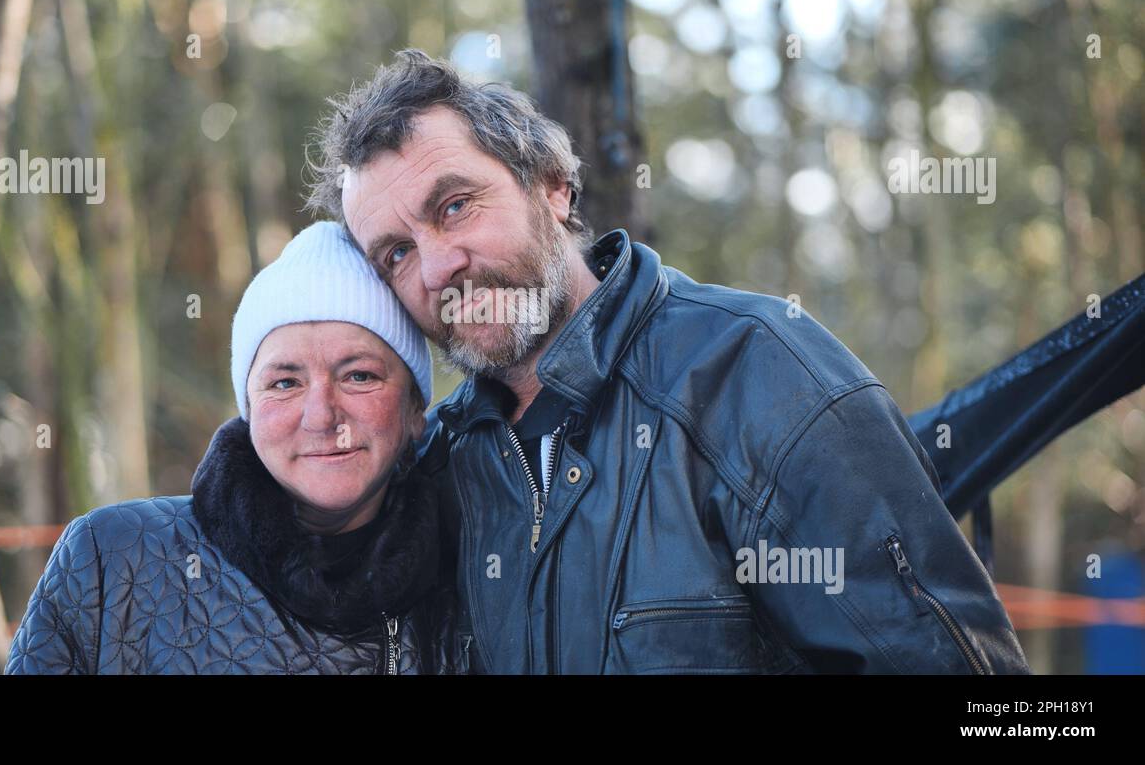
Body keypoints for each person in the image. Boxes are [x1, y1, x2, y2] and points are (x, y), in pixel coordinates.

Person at [307, 48, 1032, 674]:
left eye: (456, 205)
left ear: (552, 187)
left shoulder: (759, 375)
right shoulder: (442, 466)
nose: (437, 268)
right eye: (396, 253)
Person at [5, 220, 468, 674]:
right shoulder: (112, 560)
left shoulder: (478, 572)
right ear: (249, 410)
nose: (321, 415)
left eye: (359, 376)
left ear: (413, 410)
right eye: (285, 382)